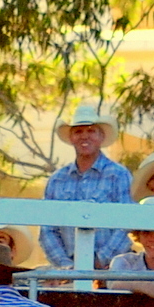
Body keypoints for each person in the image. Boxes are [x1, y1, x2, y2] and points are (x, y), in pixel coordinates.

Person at [39, 103, 133, 269]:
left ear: (101, 137)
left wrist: (100, 260)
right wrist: (66, 265)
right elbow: (47, 229)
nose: (84, 136)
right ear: (71, 138)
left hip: (112, 269)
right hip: (67, 270)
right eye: (78, 131)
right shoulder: (57, 180)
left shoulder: (118, 175)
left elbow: (126, 224)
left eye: (91, 131)